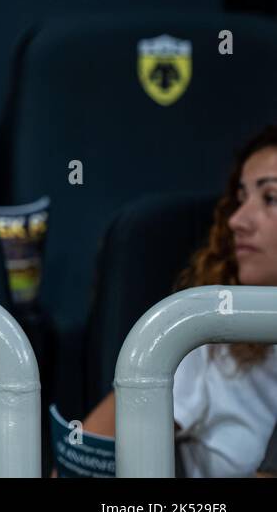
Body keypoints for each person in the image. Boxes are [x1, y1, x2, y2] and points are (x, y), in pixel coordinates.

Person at [79, 125, 277, 476]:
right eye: (241, 198)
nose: (237, 221)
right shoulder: (207, 336)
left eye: (270, 198)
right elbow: (84, 458)